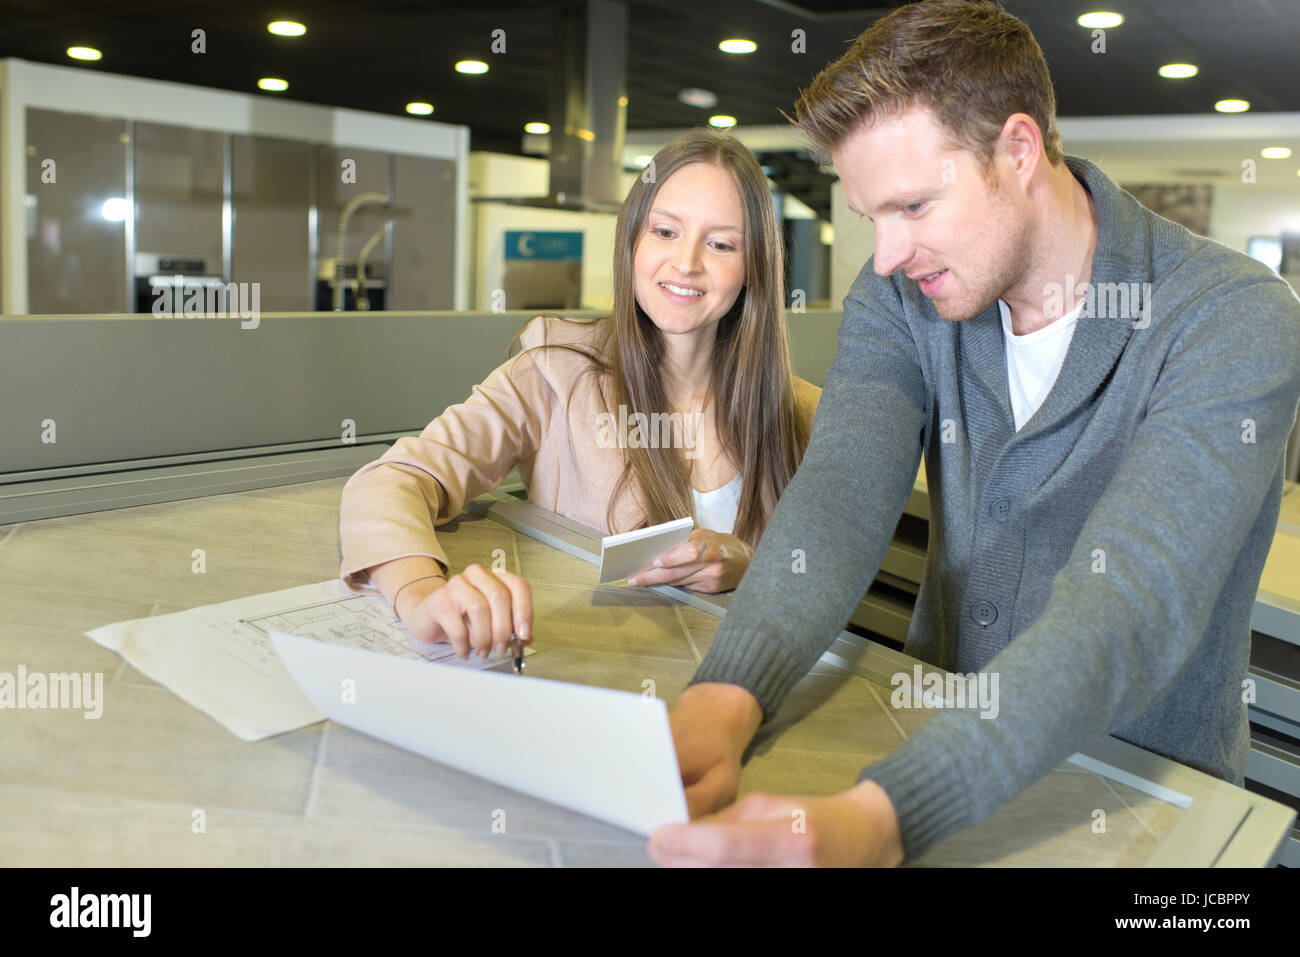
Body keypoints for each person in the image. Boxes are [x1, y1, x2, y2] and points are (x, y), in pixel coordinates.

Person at [649, 0, 1300, 867]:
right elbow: (841, 496)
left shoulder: (1230, 316)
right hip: (935, 745)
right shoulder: (905, 295)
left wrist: (886, 817)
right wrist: (725, 694)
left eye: (914, 205)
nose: (885, 254)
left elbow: (1132, 603)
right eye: (872, 215)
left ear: (1018, 150)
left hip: (1145, 801)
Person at [337, 128, 820, 661]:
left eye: (721, 243)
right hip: (590, 672)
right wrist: (420, 594)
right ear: (632, 240)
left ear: (754, 267)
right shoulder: (556, 371)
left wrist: (747, 564)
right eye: (664, 231)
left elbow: (825, 578)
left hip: (737, 689)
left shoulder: (801, 411)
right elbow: (394, 480)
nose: (686, 262)